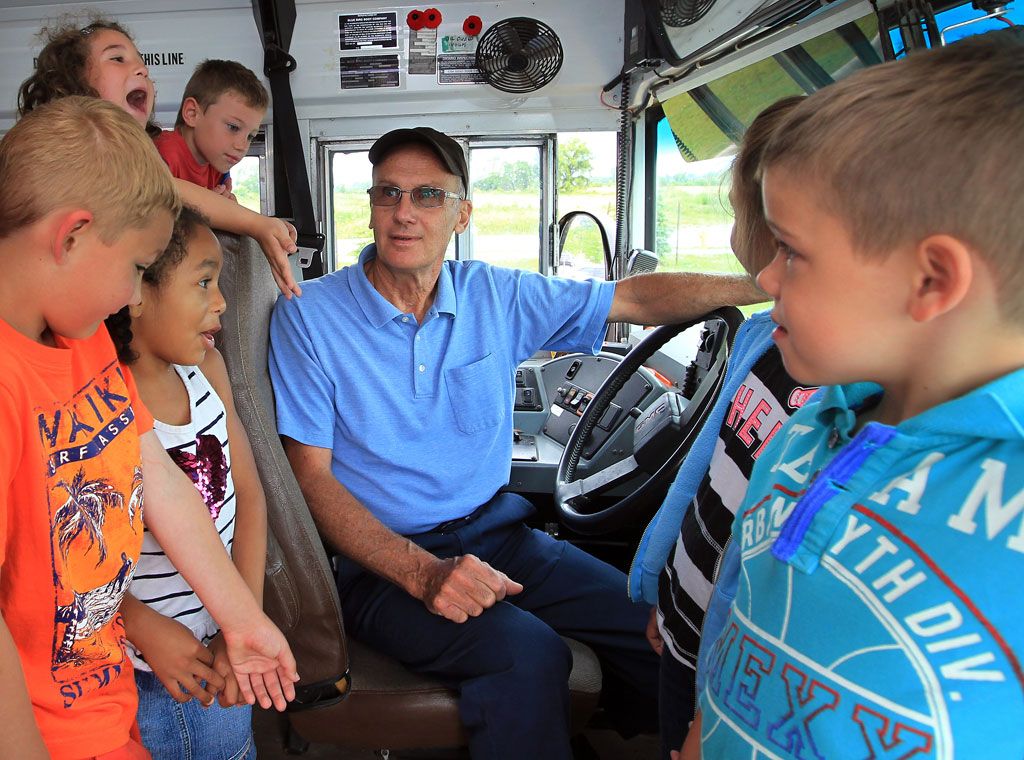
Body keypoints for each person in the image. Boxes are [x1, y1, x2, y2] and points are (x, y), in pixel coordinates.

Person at [268, 124, 764, 758]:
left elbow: (632, 297)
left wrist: (764, 286)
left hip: (499, 534)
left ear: (461, 213)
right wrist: (423, 575)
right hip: (378, 564)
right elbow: (309, 476)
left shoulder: (495, 295)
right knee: (528, 655)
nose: (402, 213)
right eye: (387, 193)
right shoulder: (308, 314)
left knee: (658, 621)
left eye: (427, 196)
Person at [684, 27, 1024, 759]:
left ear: (931, 282)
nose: (766, 280)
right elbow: (744, 603)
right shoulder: (811, 427)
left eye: (793, 253)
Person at [0, 96, 297, 760]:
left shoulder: (81, 340)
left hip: (106, 709)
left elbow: (156, 475)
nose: (131, 296)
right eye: (135, 268)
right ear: (71, 237)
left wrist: (241, 619)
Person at [625, 96, 816, 760]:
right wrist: (664, 589)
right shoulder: (764, 341)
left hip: (737, 669)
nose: (761, 275)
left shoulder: (846, 398)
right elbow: (707, 484)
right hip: (687, 622)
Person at [104, 207, 266, 759]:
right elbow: (67, 557)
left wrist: (242, 622)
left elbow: (248, 495)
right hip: (135, 669)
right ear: (137, 289)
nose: (220, 301)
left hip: (220, 653)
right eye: (203, 282)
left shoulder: (207, 371)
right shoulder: (102, 397)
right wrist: (138, 625)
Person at [17, 17, 302, 299]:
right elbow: (165, 189)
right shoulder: (76, 151)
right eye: (118, 58)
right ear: (72, 83)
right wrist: (255, 223)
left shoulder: (142, 155)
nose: (141, 69)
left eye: (141, 62)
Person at [153, 59, 268, 199]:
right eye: (233, 127)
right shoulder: (162, 155)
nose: (242, 146)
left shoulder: (218, 166)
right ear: (192, 114)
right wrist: (210, 210)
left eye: (250, 136)